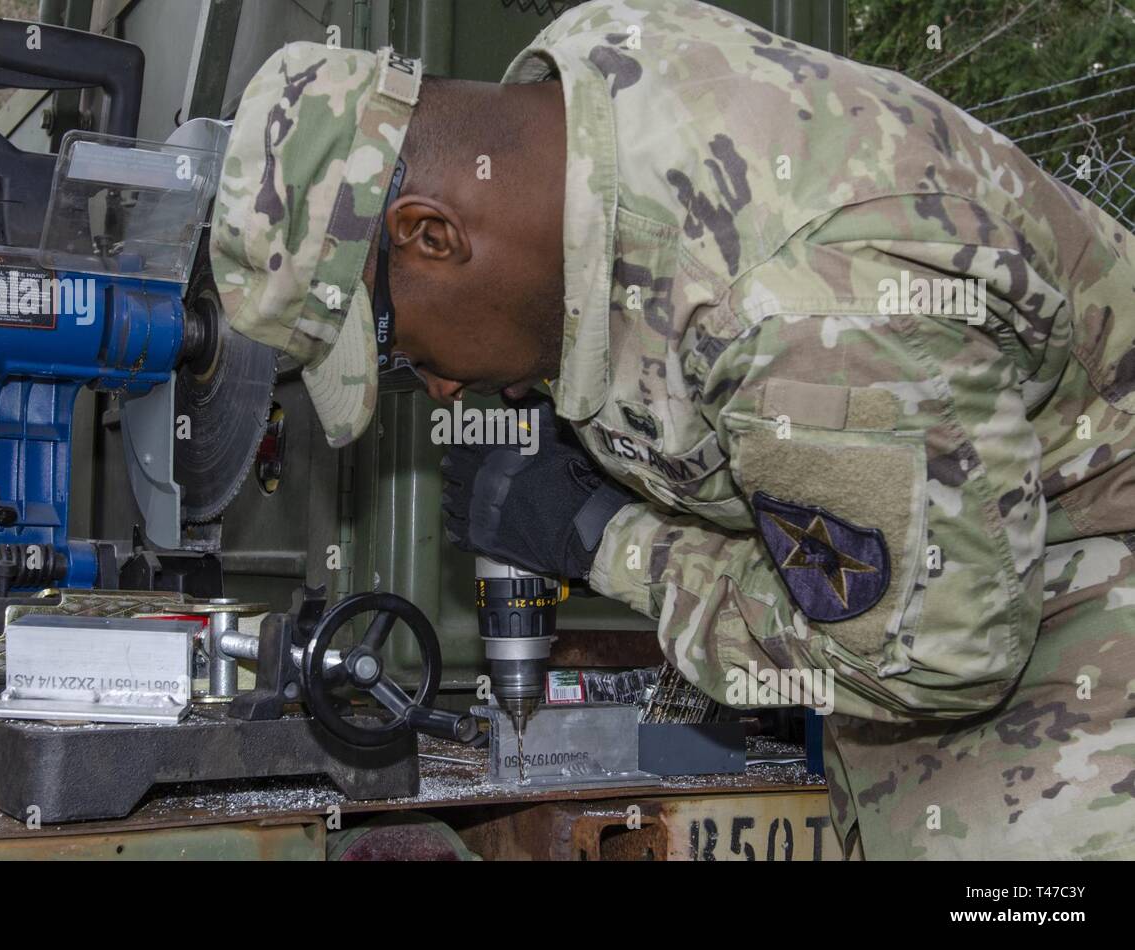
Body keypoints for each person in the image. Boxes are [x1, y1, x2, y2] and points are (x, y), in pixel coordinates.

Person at [210, 0, 1135, 859]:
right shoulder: (585, 84)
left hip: (1073, 550)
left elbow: (939, 659)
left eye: (404, 354)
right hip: (959, 529)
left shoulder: (798, 311)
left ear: (434, 235)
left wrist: (610, 540)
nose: (446, 389)